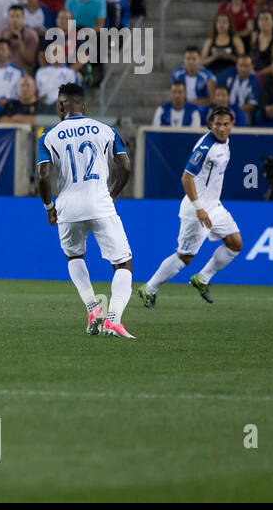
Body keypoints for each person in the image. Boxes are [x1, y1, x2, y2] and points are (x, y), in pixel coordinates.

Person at [36, 82, 136, 338]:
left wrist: (49, 206)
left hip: (68, 208)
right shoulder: (106, 130)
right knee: (123, 264)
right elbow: (125, 166)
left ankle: (93, 308)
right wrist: (113, 193)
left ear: (60, 106)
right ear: (85, 105)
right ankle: (113, 318)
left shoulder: (49, 135)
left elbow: (43, 176)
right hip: (100, 203)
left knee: (75, 257)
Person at [139, 107, 242, 308]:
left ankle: (202, 278)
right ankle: (148, 289)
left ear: (232, 125)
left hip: (214, 207)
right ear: (210, 124)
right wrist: (199, 208)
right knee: (185, 257)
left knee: (235, 243)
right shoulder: (205, 148)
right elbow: (186, 177)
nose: (221, 128)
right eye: (218, 124)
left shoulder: (225, 142)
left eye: (225, 124)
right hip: (197, 210)